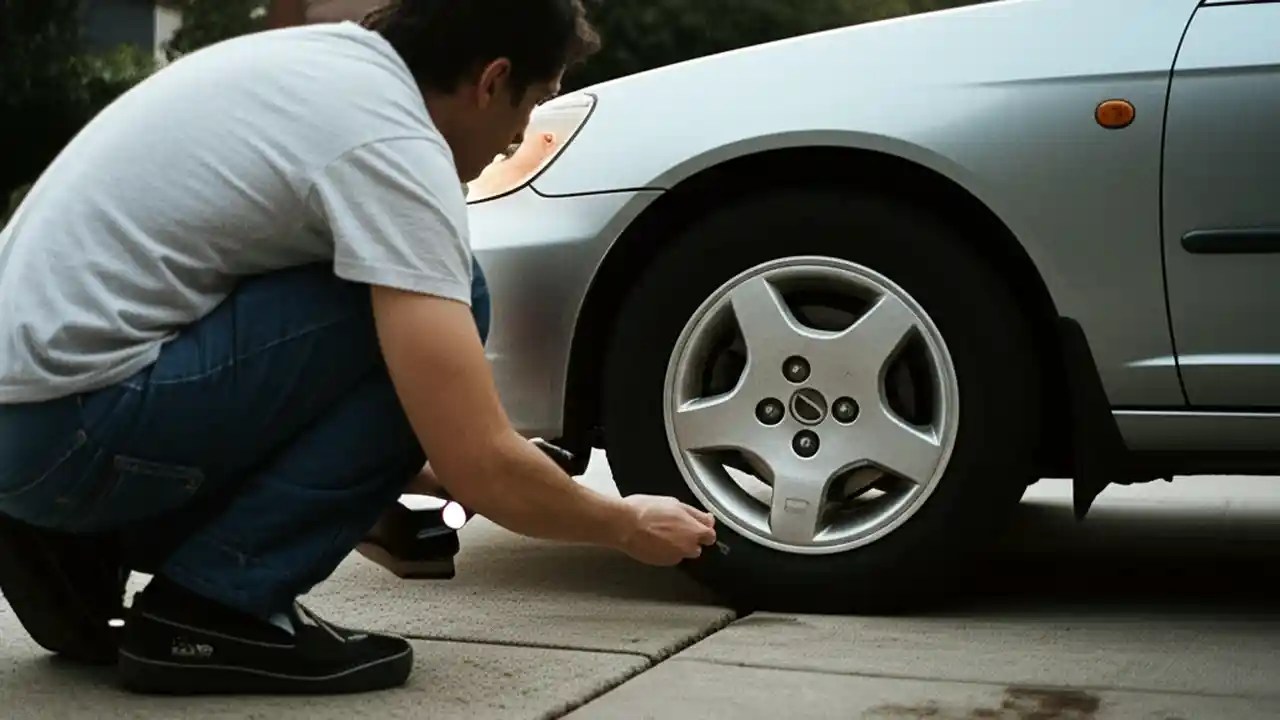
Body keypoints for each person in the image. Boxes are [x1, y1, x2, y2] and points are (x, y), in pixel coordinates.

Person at [0, 0, 716, 696]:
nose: (516, 137)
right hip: (73, 433)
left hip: (29, 421)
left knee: (376, 305)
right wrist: (624, 525)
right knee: (444, 297)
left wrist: (385, 471)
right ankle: (218, 608)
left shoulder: (318, 66)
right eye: (532, 103)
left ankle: (70, 552)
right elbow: (483, 463)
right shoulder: (393, 144)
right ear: (492, 80)